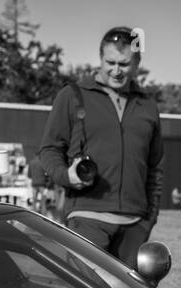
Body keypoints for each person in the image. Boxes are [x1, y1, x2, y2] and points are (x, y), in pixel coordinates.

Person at [38, 26, 164, 267]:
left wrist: (150, 218)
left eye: (124, 64)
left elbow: (155, 166)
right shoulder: (72, 95)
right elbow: (49, 149)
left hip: (135, 224)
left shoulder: (148, 105)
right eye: (110, 62)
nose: (116, 70)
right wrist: (66, 176)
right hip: (87, 218)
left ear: (137, 63)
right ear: (100, 58)